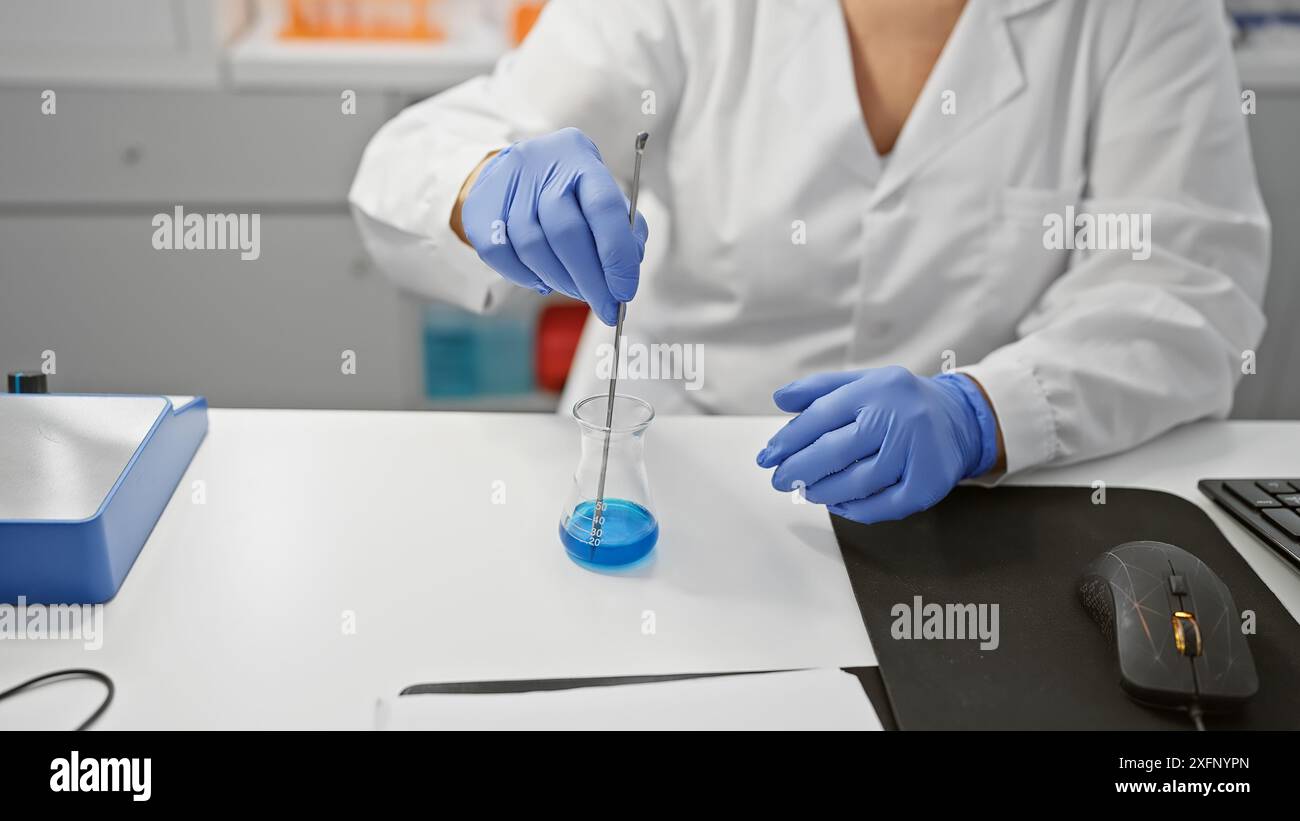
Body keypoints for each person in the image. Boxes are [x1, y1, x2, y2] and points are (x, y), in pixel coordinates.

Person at [349, 0, 1268, 524]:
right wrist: (486, 186)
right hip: (672, 463)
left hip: (970, 499)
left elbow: (1188, 283)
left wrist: (981, 413)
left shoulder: (1143, 14)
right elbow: (422, 152)